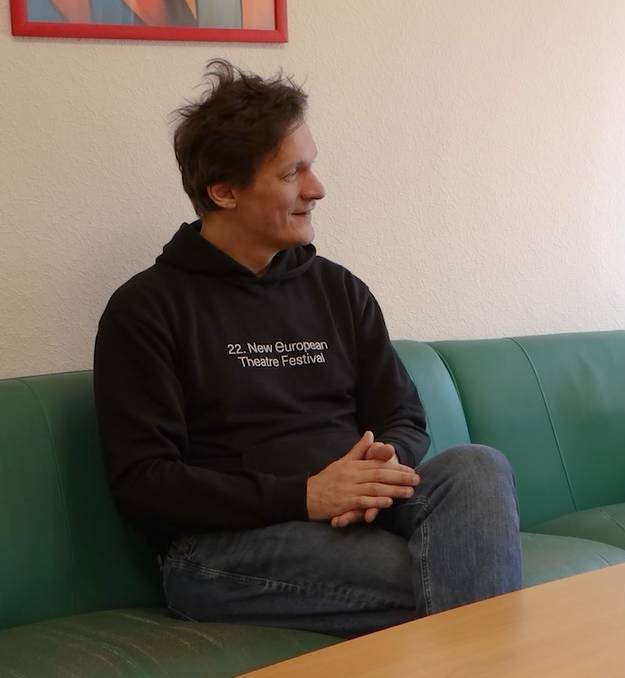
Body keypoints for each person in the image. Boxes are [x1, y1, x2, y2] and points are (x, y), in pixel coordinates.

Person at [93, 59, 521, 638]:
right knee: (457, 569)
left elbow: (402, 414)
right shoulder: (146, 309)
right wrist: (307, 495)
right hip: (225, 548)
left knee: (478, 466)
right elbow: (145, 483)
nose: (317, 189)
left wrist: (379, 467)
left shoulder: (338, 290)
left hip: (360, 514)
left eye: (311, 166)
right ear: (224, 191)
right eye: (293, 173)